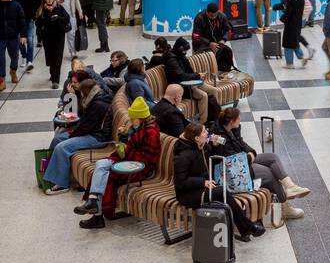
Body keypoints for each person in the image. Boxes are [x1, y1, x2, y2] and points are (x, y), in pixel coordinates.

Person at [74, 95, 162, 229]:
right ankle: (92, 199)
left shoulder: (151, 132)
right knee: (100, 165)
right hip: (128, 160)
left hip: (140, 169)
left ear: (141, 117)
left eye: (133, 119)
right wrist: (124, 137)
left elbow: (146, 160)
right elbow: (132, 146)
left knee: (107, 175)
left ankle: (98, 216)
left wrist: (125, 148)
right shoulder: (140, 128)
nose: (131, 121)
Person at [208, 107, 309, 223]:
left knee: (272, 157)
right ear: (232, 121)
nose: (240, 120)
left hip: (244, 161)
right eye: (238, 118)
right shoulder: (220, 137)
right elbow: (231, 159)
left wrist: (252, 152)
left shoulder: (232, 128)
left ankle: (290, 186)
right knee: (270, 174)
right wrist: (249, 157)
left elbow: (241, 143)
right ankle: (285, 207)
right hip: (234, 172)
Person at [173, 122, 263, 245]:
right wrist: (202, 182)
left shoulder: (202, 146)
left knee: (224, 191)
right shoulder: (183, 155)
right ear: (197, 138)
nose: (207, 133)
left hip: (205, 186)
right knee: (222, 191)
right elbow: (180, 183)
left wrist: (215, 146)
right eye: (204, 132)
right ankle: (247, 227)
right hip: (188, 194)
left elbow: (215, 161)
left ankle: (246, 227)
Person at [43, 76, 114, 194]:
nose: (80, 94)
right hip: (90, 132)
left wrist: (72, 135)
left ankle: (62, 184)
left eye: (81, 91)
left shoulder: (98, 104)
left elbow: (87, 126)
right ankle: (50, 171)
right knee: (58, 139)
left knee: (62, 147)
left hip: (97, 137)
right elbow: (85, 122)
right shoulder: (95, 99)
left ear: (86, 91)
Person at [34, 0, 71, 88]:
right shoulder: (41, 9)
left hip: (59, 36)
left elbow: (67, 18)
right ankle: (52, 74)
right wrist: (43, 20)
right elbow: (37, 24)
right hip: (47, 37)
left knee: (58, 58)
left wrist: (58, 18)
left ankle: (56, 80)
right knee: (50, 58)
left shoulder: (59, 7)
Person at [192, 3, 235, 73]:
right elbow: (196, 36)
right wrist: (209, 43)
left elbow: (228, 30)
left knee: (213, 67)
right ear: (207, 12)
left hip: (216, 44)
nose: (214, 17)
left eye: (215, 15)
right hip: (200, 45)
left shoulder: (222, 16)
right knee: (199, 67)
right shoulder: (199, 18)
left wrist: (223, 39)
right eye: (211, 16)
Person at [280, 0, 310, 68]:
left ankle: (289, 63)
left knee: (288, 43)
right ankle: (301, 56)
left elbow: (288, 12)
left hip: (290, 24)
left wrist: (283, 18)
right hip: (298, 23)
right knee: (295, 41)